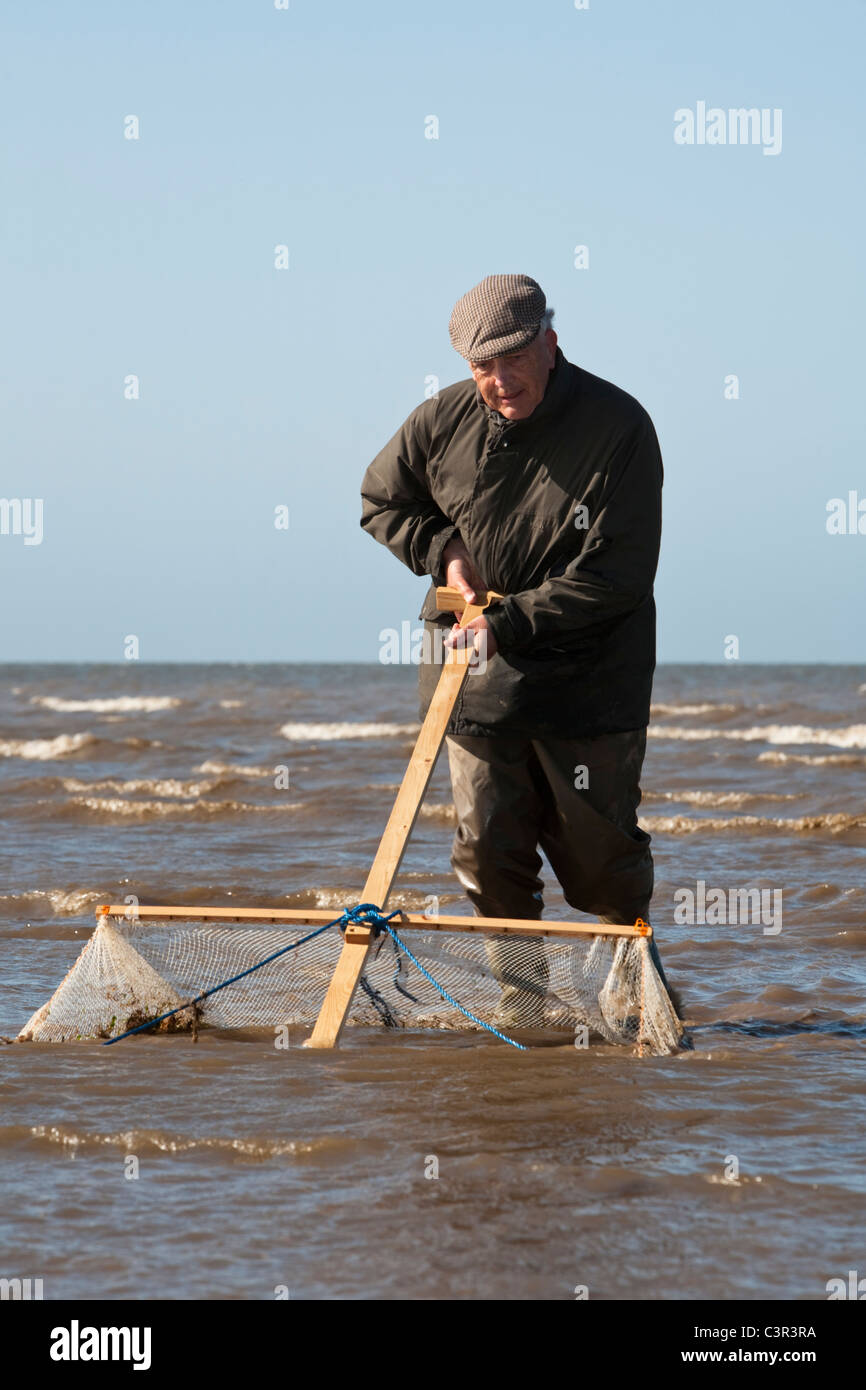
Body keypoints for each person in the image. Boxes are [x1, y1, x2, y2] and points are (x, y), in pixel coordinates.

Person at [361, 274, 674, 1026]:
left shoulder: (620, 427)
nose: (499, 382)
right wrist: (443, 549)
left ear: (550, 341)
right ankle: (526, 1015)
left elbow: (618, 576)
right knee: (489, 857)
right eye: (481, 367)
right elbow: (381, 501)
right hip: (468, 681)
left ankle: (637, 998)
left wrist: (512, 622)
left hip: (589, 685)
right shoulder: (440, 420)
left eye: (512, 360)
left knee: (603, 866)